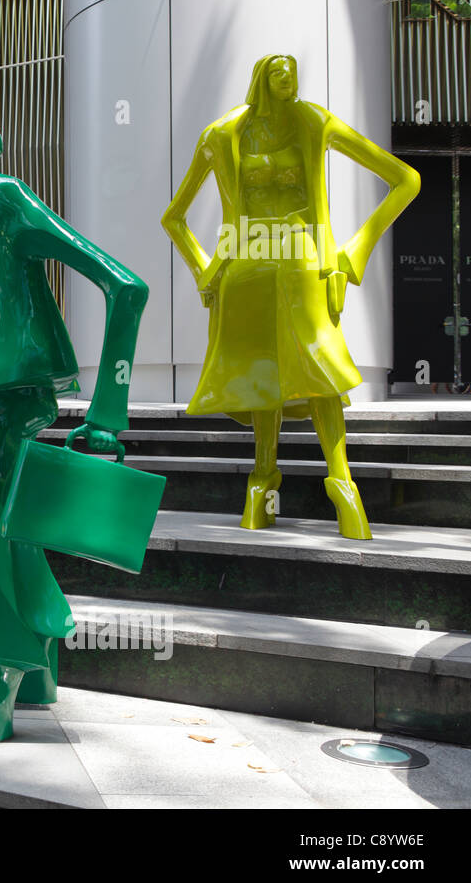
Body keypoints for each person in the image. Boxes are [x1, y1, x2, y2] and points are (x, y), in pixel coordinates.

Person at [0, 117, 148, 747]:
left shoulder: (2, 194)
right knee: (4, 503)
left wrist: (108, 410)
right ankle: (40, 653)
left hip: (20, 381)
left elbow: (125, 286)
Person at [162, 54, 420, 539]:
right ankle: (264, 477)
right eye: (278, 72)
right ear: (261, 78)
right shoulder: (223, 135)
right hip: (247, 269)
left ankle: (339, 482)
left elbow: (406, 179)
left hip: (305, 264)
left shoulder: (313, 121)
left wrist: (353, 253)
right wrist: (206, 271)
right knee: (264, 371)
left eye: (292, 71)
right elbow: (173, 217)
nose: (289, 79)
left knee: (320, 368)